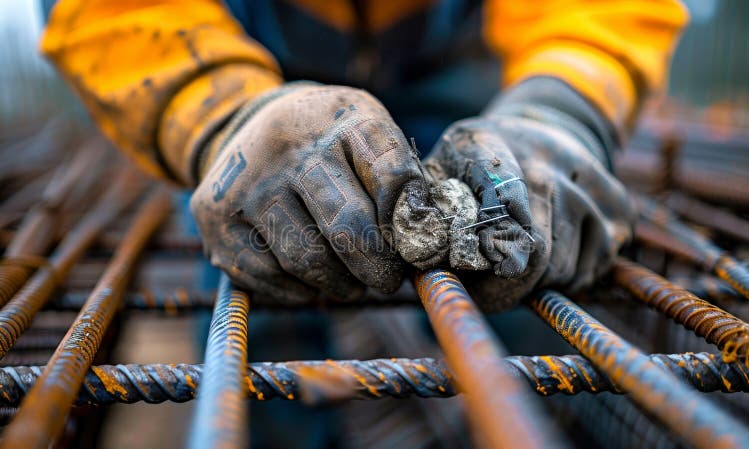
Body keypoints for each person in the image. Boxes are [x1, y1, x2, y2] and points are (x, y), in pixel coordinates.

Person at [41, 0, 688, 309]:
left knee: (524, 271)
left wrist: (559, 110)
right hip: (238, 39)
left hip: (462, 45)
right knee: (267, 272)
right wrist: (219, 116)